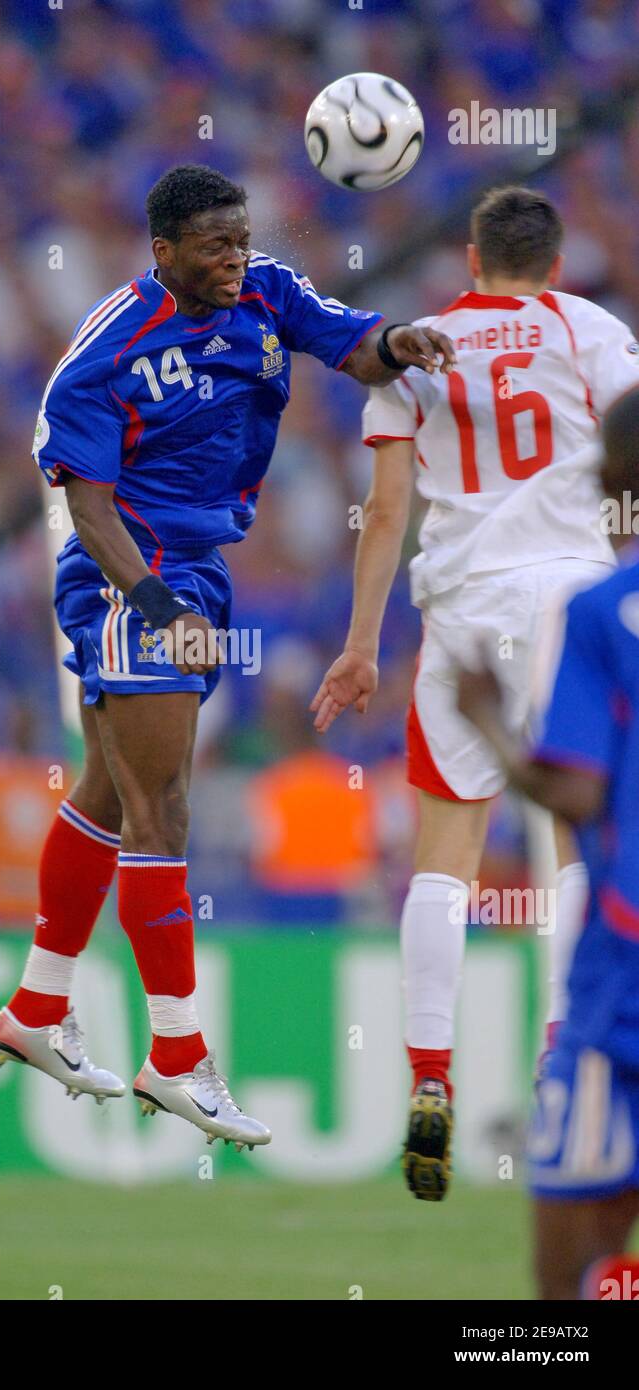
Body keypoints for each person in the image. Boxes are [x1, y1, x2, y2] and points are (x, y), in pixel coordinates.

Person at [0, 162, 454, 1149]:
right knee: (164, 808)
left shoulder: (268, 292)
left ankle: (34, 1009)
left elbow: (353, 346)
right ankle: (177, 1056)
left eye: (240, 237)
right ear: (163, 254)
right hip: (133, 570)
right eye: (213, 246)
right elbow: (86, 503)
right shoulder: (107, 351)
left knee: (109, 798)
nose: (234, 258)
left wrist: (396, 340)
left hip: (196, 564)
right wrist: (151, 604)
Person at [310, 186, 639, 1198]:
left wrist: (362, 642)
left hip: (460, 612)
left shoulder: (416, 344)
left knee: (443, 860)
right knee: (569, 842)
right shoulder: (591, 331)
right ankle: (557, 1057)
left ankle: (427, 1079)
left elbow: (386, 507)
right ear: (551, 262)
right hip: (570, 601)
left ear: (467, 256)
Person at [456, 384, 639, 1299]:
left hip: (623, 979)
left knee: (562, 1289)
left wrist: (486, 721)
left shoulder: (606, 610)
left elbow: (573, 787)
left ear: (615, 479)